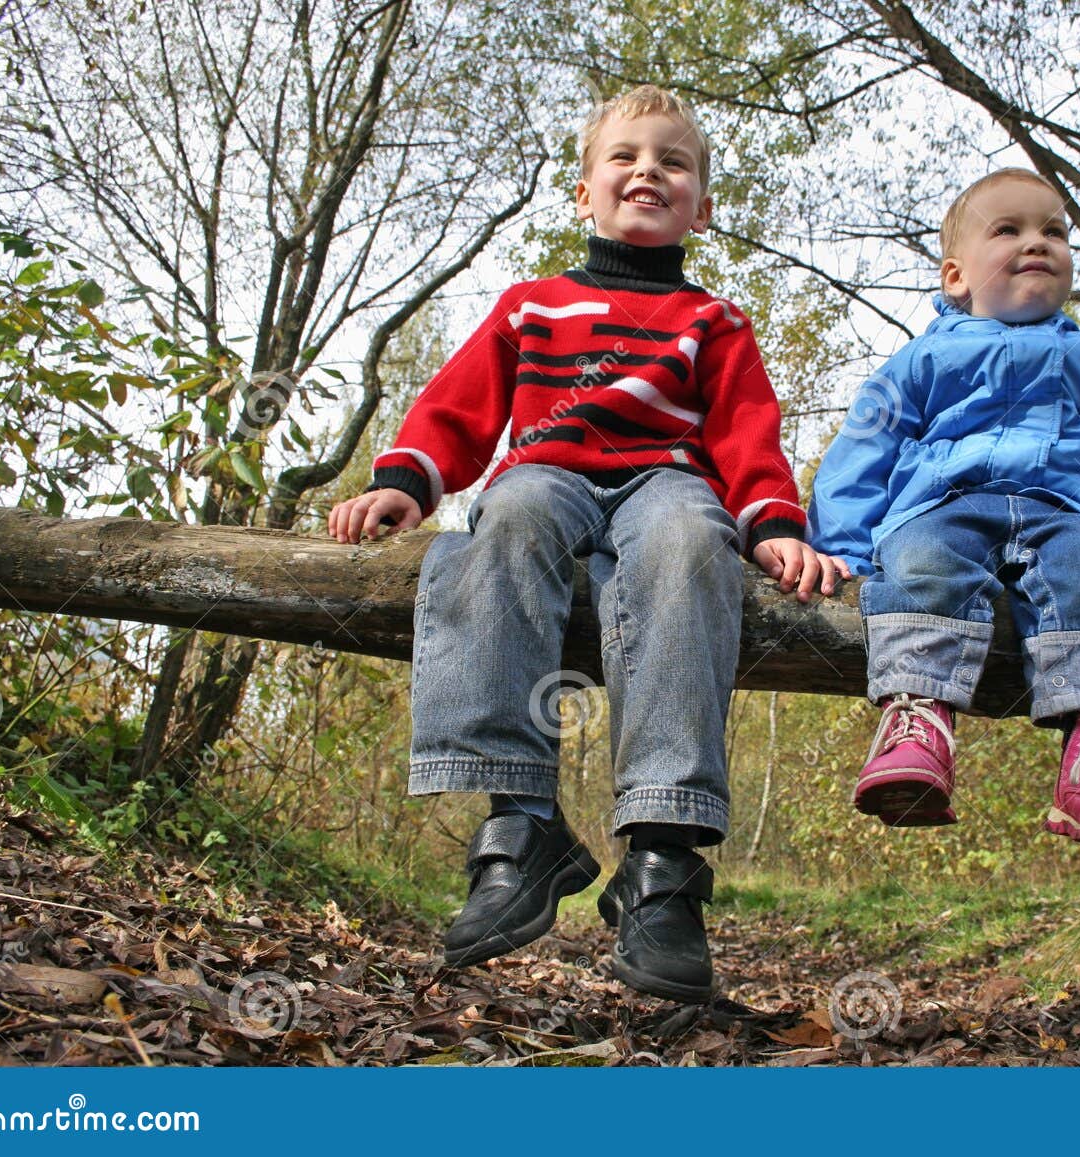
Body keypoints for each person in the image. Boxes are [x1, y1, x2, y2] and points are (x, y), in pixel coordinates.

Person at [328, 85, 845, 1001]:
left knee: (692, 542)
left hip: (668, 480)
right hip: (547, 470)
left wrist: (772, 526)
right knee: (505, 517)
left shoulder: (713, 322)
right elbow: (458, 406)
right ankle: (521, 826)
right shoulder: (533, 305)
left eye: (673, 162)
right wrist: (405, 481)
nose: (648, 171)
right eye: (626, 157)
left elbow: (746, 435)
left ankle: (663, 861)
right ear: (584, 192)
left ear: (702, 205)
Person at [806, 168, 1080, 856]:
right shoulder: (923, 361)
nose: (1036, 242)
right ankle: (916, 722)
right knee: (919, 560)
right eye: (1008, 230)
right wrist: (841, 549)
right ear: (955, 277)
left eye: (1053, 231)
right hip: (944, 503)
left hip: (1074, 511)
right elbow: (865, 445)